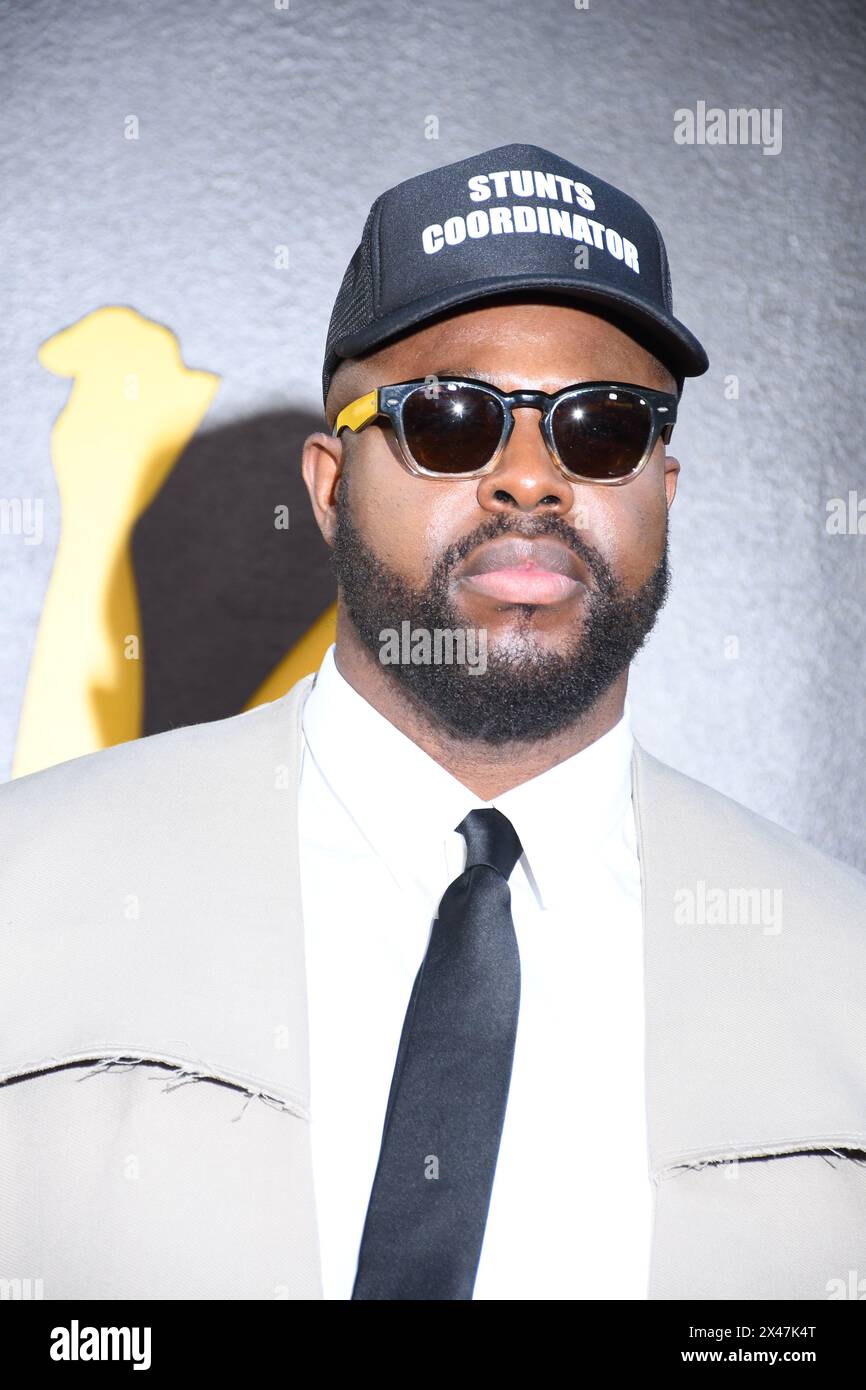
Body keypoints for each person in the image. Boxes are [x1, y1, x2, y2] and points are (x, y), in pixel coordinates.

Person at [1, 143, 865, 1302]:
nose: (529, 480)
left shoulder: (837, 971)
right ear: (327, 485)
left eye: (600, 427)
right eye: (450, 420)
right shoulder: (27, 889)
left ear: (664, 486)